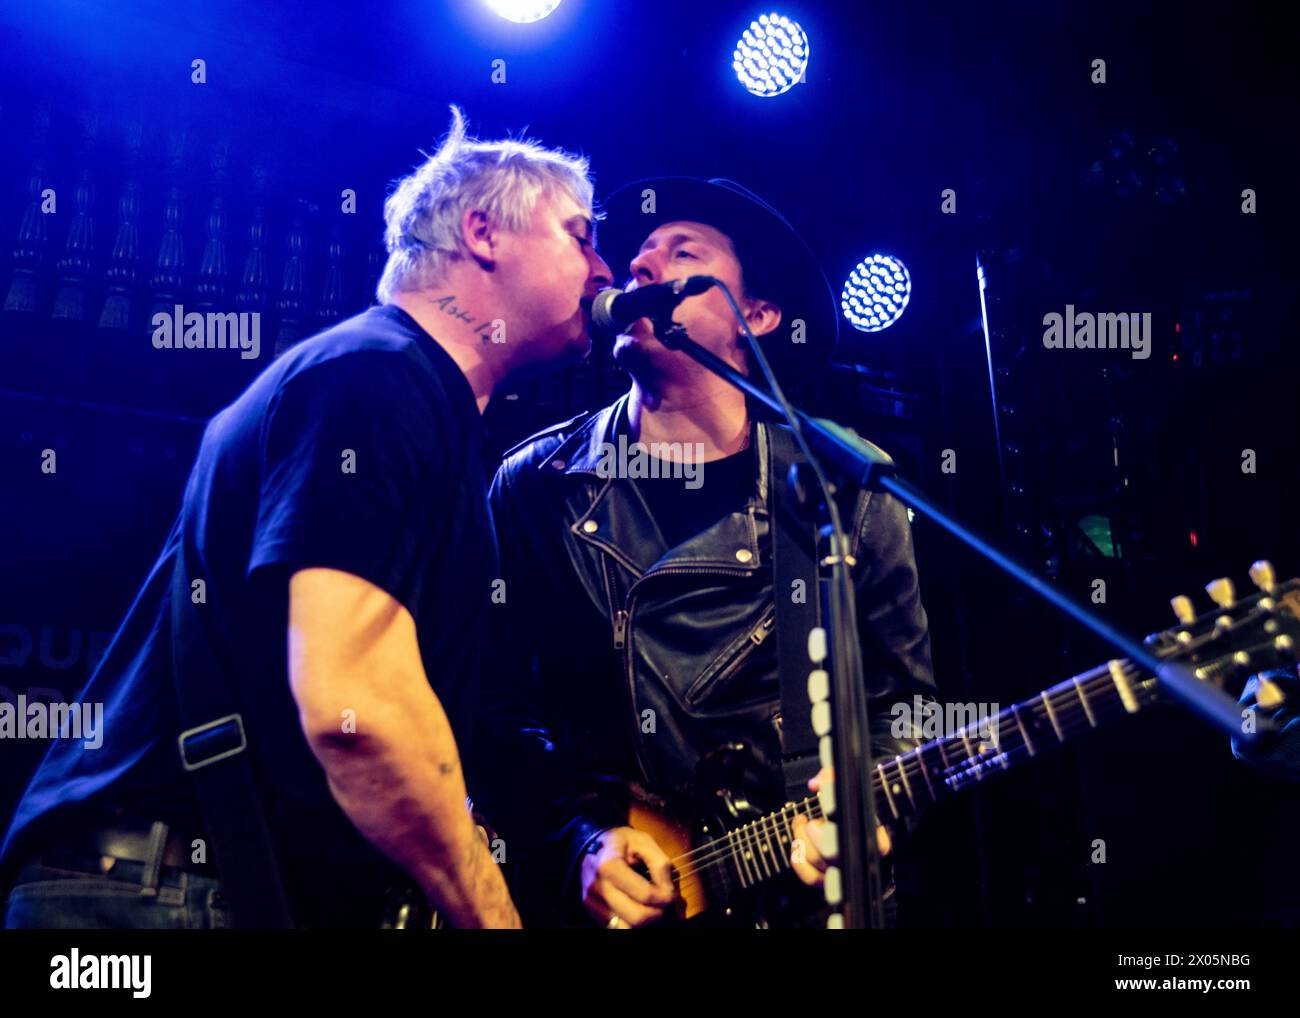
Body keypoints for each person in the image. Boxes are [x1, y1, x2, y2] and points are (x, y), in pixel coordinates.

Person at [1, 108, 612, 929]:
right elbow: (356, 713)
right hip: (160, 894)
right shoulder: (374, 378)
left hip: (187, 886)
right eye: (580, 235)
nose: (604, 268)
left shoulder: (397, 387)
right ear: (483, 233)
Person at [478, 177, 934, 927]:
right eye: (641, 255)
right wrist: (578, 840)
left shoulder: (843, 481)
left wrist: (868, 805)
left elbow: (906, 709)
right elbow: (492, 710)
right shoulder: (538, 483)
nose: (640, 267)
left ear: (756, 316)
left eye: (683, 254)